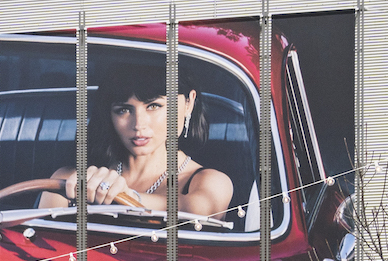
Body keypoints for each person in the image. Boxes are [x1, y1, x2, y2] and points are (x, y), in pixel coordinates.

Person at [27, 59, 235, 221]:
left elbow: (197, 211)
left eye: (154, 106)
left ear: (188, 103)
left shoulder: (209, 182)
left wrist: (126, 196)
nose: (138, 124)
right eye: (124, 110)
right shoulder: (69, 180)